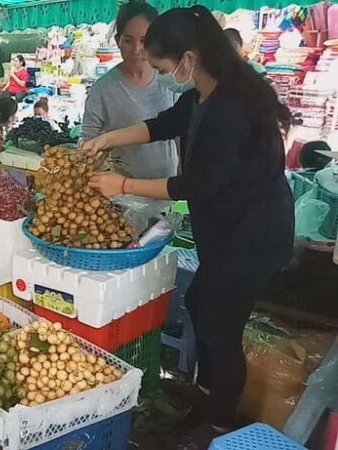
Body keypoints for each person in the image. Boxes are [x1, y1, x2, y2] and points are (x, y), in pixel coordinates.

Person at [82, 6, 294, 435]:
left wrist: (122, 185)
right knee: (200, 304)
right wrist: (107, 138)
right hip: (227, 229)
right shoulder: (203, 93)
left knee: (221, 327)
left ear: (189, 58)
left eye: (163, 65)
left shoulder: (231, 108)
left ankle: (217, 424)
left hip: (251, 235)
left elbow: (194, 185)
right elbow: (161, 124)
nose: (160, 74)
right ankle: (207, 397)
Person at [82, 0, 179, 180]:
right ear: (118, 41)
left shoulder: (170, 80)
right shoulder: (103, 89)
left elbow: (178, 130)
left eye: (144, 40)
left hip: (167, 188)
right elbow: (87, 140)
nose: (136, 49)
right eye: (128, 40)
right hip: (123, 196)